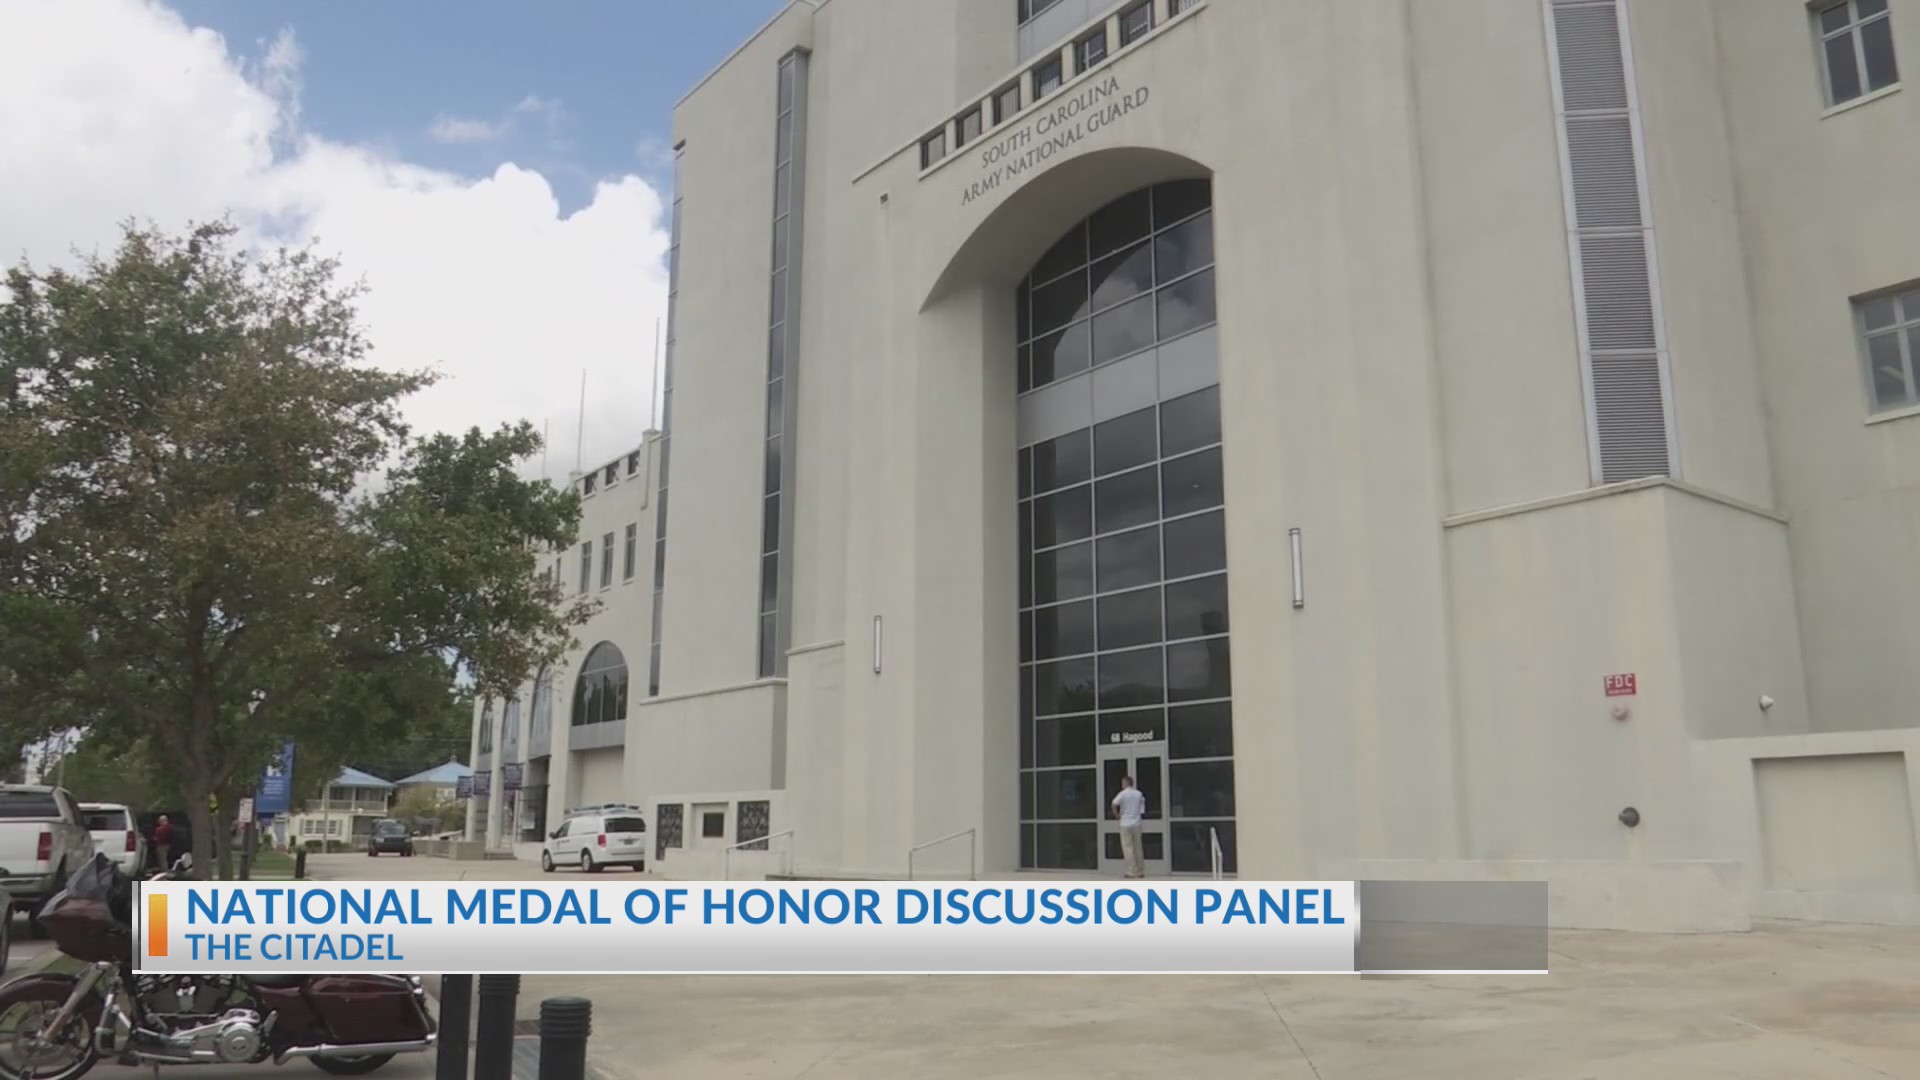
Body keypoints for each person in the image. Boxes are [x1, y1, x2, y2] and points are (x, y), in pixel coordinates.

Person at [1110, 776, 1146, 879]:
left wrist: (1117, 815)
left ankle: (1131, 871)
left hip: (1125, 823)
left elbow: (1114, 804)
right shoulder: (1139, 794)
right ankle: (1140, 871)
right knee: (1138, 847)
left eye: (1122, 783)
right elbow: (1142, 808)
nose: (1122, 785)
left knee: (1128, 848)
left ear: (1125, 783)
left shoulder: (1123, 794)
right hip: (1137, 823)